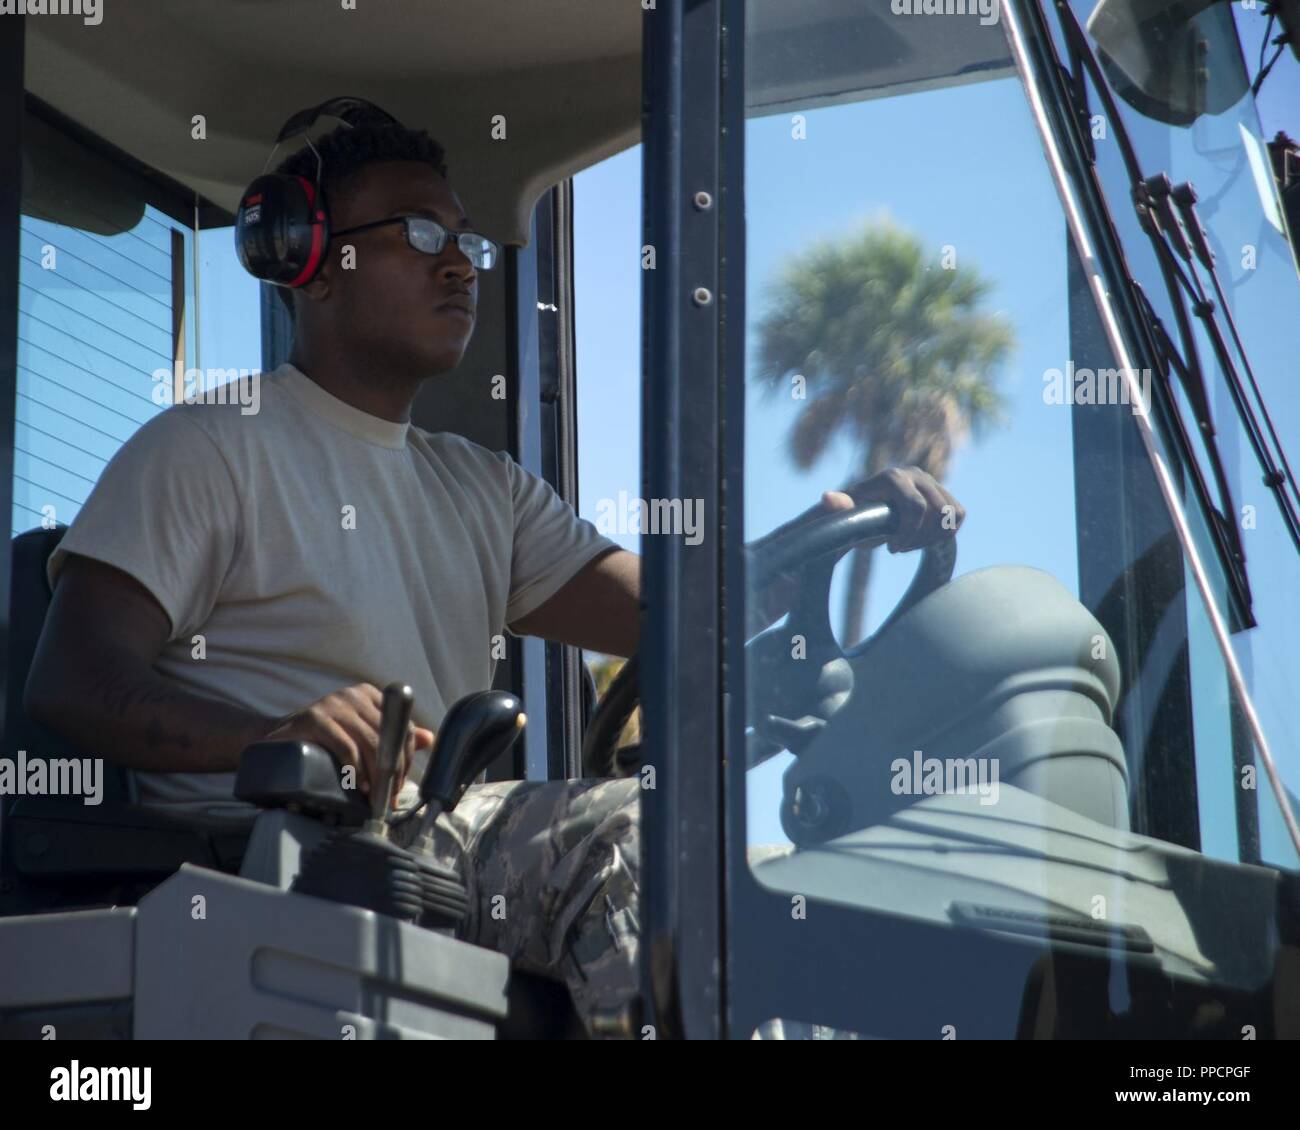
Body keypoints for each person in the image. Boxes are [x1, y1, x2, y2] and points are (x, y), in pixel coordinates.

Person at [24, 118, 963, 1036]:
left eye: (465, 237)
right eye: (419, 234)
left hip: (426, 845)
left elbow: (677, 617)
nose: (461, 263)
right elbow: (74, 682)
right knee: (647, 841)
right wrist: (272, 735)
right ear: (308, 258)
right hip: (275, 857)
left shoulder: (481, 486)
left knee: (780, 893)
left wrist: (822, 526)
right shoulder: (205, 449)